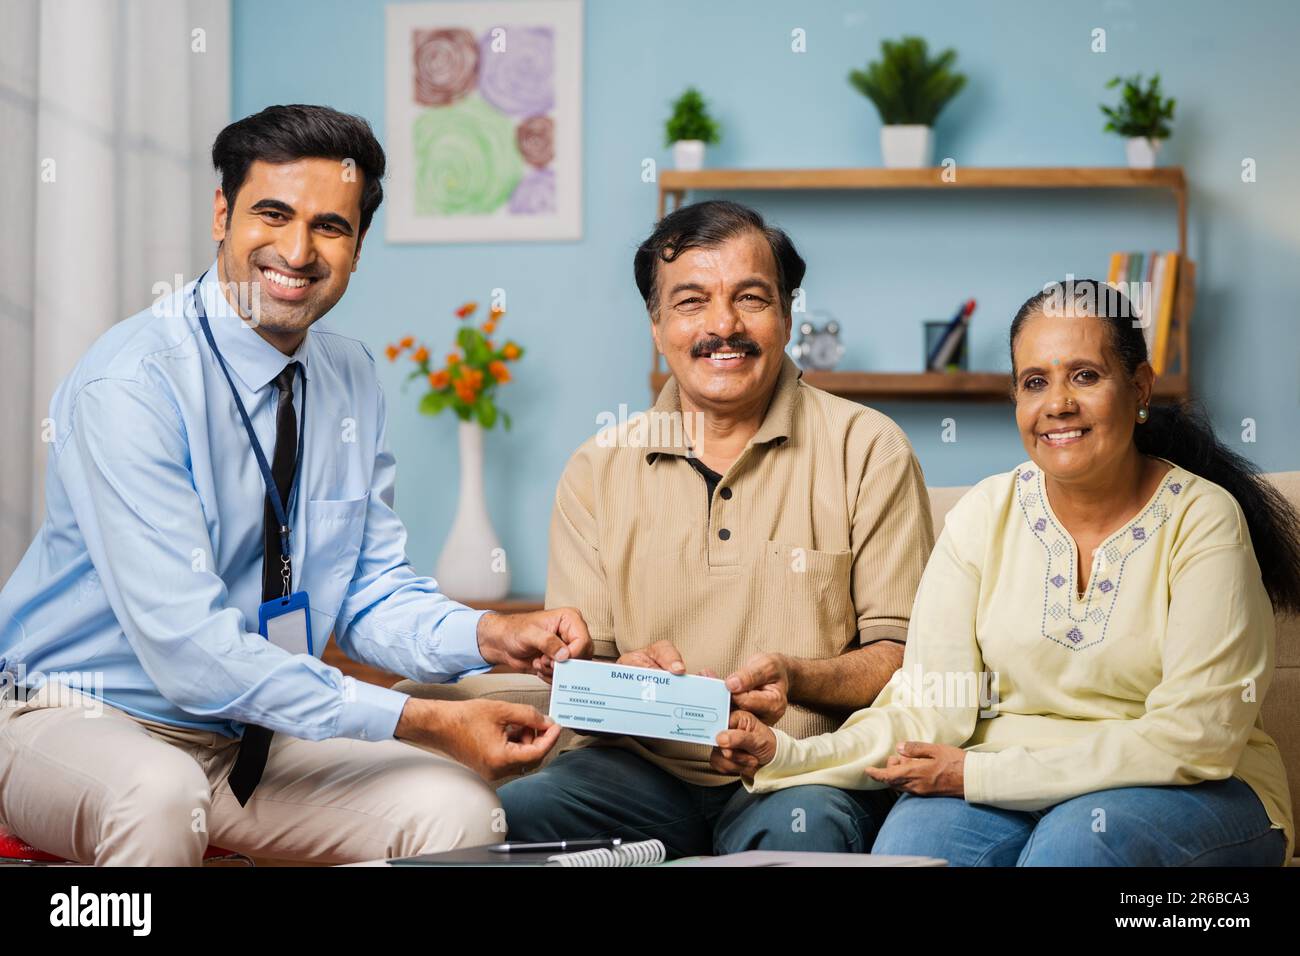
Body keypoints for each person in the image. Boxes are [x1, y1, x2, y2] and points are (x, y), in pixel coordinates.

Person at [0, 105, 590, 866]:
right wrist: (421, 720)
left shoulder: (348, 377)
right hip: (77, 718)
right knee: (158, 795)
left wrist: (488, 635)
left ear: (358, 245)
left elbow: (368, 594)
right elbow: (192, 654)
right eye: (271, 214)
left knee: (456, 811)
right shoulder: (131, 384)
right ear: (222, 213)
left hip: (245, 739)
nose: (296, 250)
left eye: (330, 227)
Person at [718, 278, 1299, 866]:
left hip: (1186, 788)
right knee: (914, 850)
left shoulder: (1203, 519)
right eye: (1035, 382)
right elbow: (927, 708)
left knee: (1076, 845)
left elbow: (1195, 738)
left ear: (1140, 388)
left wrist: (984, 774)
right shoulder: (983, 516)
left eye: (1086, 375)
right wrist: (787, 754)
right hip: (978, 779)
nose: (1058, 404)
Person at [497, 200, 934, 857]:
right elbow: (579, 674)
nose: (723, 326)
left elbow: (906, 659)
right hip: (638, 771)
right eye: (692, 301)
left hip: (800, 769)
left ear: (787, 315)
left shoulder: (868, 448)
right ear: (656, 325)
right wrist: (622, 679)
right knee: (518, 811)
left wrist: (800, 677)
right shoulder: (596, 471)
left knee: (806, 828)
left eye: (751, 298)